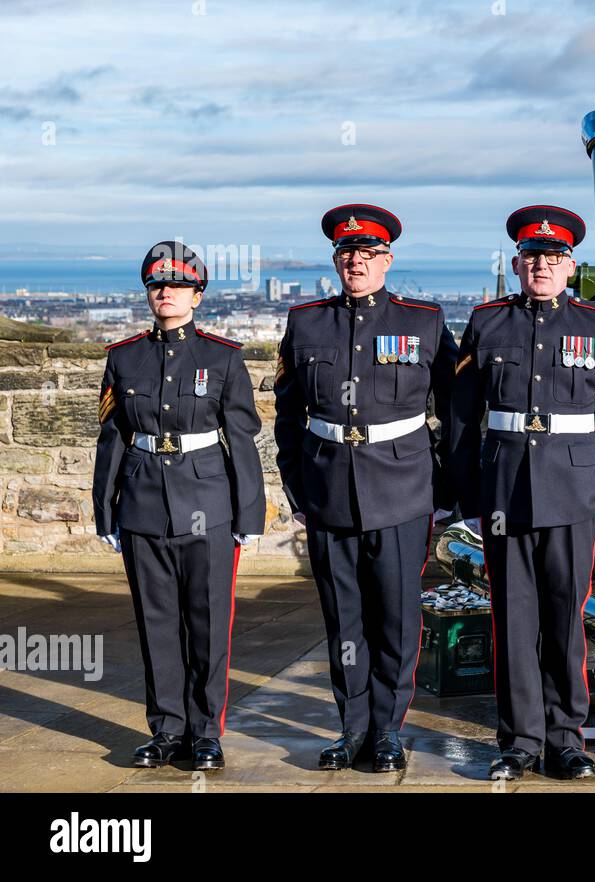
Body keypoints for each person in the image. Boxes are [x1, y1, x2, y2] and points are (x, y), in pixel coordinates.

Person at [273, 203, 458, 772]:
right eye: (347, 252)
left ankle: (387, 731)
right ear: (336, 260)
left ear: (387, 260)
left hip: (402, 490)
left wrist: (446, 490)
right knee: (343, 618)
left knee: (397, 618)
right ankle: (350, 728)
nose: (356, 260)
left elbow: (455, 411)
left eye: (368, 253)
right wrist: (299, 488)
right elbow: (287, 416)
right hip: (329, 489)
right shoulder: (306, 323)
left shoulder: (422, 321)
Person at [449, 205, 595, 781]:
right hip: (505, 492)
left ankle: (566, 738)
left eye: (553, 257)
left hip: (574, 493)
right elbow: (461, 418)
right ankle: (520, 741)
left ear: (570, 266)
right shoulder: (487, 324)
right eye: (532, 257)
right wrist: (469, 499)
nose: (542, 265)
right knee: (513, 620)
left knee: (565, 619)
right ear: (517, 262)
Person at [93, 240, 265, 770]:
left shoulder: (222, 357)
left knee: (208, 622)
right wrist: (105, 509)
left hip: (208, 505)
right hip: (143, 505)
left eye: (177, 285)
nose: (165, 292)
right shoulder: (123, 358)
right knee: (156, 622)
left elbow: (241, 438)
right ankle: (165, 730)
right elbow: (113, 437)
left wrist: (249, 515)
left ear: (198, 293)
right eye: (156, 285)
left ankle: (206, 732)